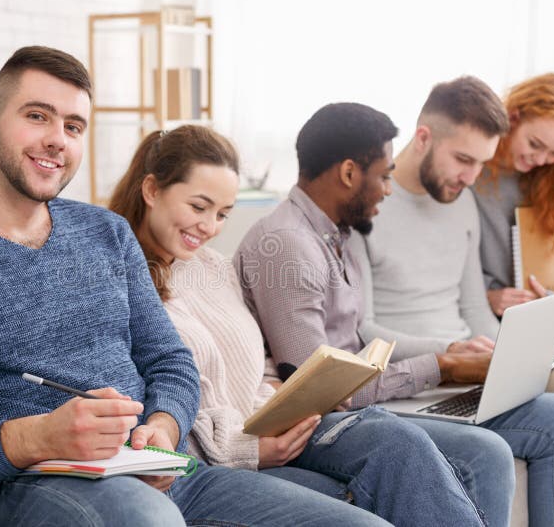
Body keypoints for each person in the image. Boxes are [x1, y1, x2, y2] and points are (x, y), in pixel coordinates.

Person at [0, 45, 390, 527]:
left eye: (74, 126)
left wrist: (164, 428)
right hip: (34, 482)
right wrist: (38, 436)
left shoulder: (107, 234)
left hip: (157, 471)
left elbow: (171, 361)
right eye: (37, 116)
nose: (57, 138)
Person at [234, 98, 554, 526]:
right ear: (348, 173)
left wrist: (456, 356)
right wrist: (441, 366)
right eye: (383, 176)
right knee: (485, 453)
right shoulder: (289, 245)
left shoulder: (335, 234)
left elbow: (356, 341)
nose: (388, 189)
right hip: (320, 421)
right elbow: (318, 392)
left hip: (356, 403)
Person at [108, 124, 487, 526]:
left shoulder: (213, 267)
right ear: (152, 191)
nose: (210, 227)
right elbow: (164, 398)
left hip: (275, 428)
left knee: (406, 442)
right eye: (199, 207)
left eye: (222, 214)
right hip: (228, 453)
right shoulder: (121, 281)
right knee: (380, 474)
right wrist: (249, 450)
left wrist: (282, 396)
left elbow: (256, 362)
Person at [347, 76, 554, 526]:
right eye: (464, 160)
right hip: (415, 381)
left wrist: (509, 354)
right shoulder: (366, 205)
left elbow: (472, 310)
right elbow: (361, 328)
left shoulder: (460, 201)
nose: (471, 177)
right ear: (423, 138)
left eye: (481, 163)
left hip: (469, 373)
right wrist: (449, 354)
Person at [473, 73, 554, 347]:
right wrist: (487, 295)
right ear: (513, 119)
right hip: (507, 313)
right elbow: (453, 265)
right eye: (535, 144)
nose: (542, 159)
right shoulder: (471, 176)